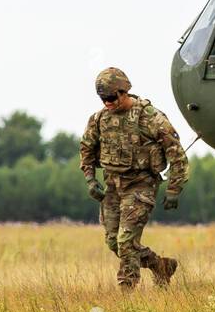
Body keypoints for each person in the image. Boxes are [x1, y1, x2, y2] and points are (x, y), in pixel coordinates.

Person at [80, 67, 190, 290]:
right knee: (114, 243)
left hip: (141, 185)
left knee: (126, 241)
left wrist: (174, 189)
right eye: (103, 99)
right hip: (112, 186)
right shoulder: (99, 119)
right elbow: (87, 149)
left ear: (124, 92)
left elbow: (176, 153)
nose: (107, 103)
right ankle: (160, 266)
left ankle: (127, 295)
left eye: (111, 97)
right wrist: (91, 179)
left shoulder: (150, 118)